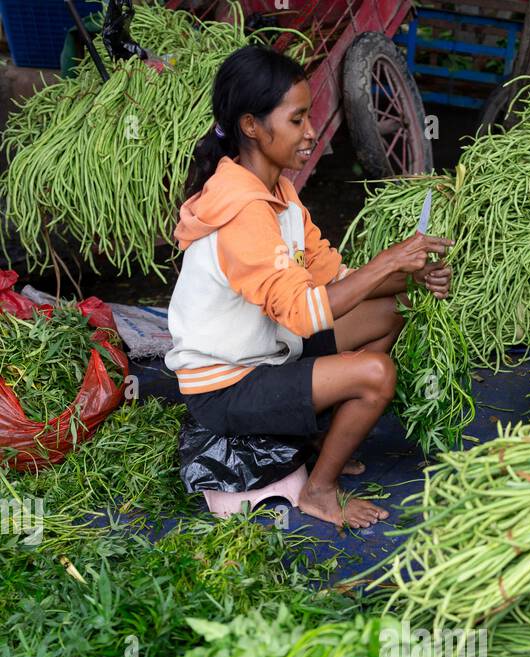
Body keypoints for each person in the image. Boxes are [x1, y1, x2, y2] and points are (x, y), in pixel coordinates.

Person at [166, 45, 452, 530]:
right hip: (225, 386)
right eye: (297, 120)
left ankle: (319, 440)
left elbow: (334, 279)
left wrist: (410, 276)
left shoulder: (281, 194)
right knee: (376, 374)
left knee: (393, 309)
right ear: (252, 126)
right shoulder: (243, 211)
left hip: (267, 353)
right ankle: (320, 491)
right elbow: (304, 313)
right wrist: (386, 262)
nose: (311, 132)